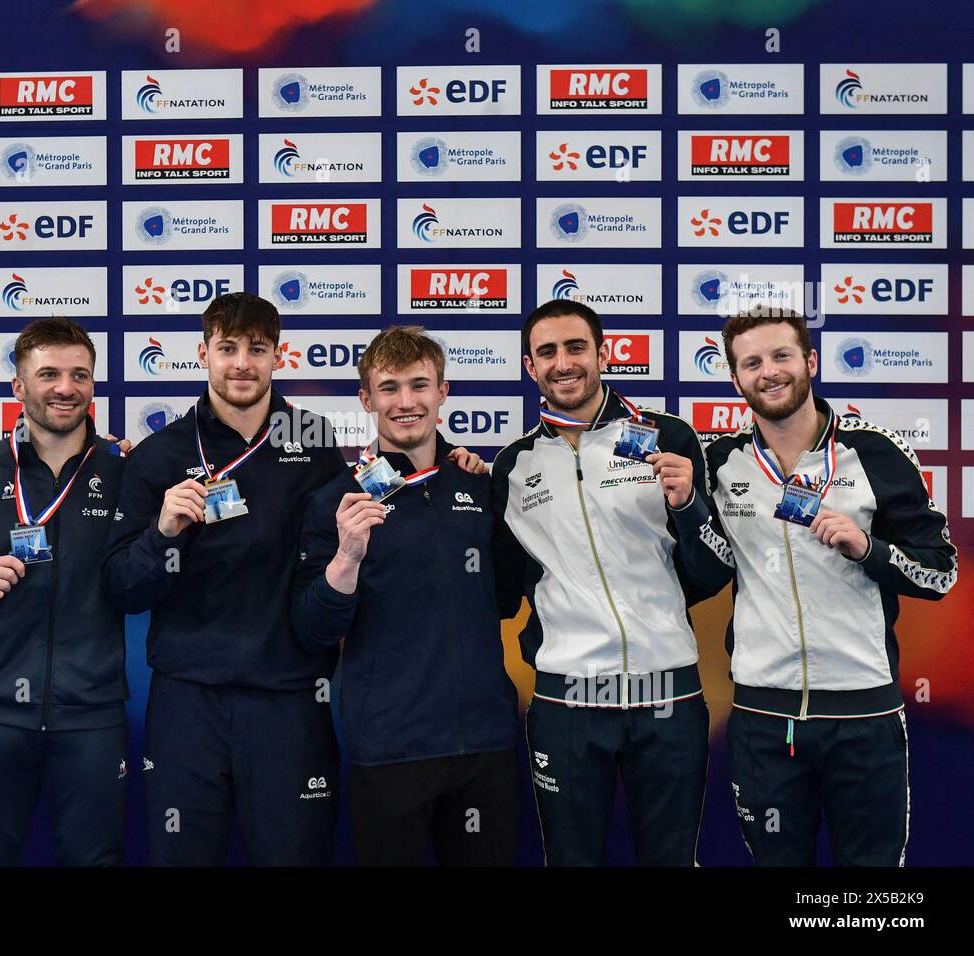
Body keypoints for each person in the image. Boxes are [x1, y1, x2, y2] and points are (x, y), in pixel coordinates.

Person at [105, 292, 483, 865]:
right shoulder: (159, 455)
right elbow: (125, 589)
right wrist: (162, 532)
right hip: (188, 700)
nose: (241, 363)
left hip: (290, 699)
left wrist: (457, 458)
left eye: (257, 349)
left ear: (278, 356)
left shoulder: (313, 442)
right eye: (227, 348)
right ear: (203, 353)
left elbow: (392, 476)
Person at [708, 309, 956, 866]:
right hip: (764, 721)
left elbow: (940, 573)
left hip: (863, 718)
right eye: (751, 363)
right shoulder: (720, 464)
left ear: (810, 362)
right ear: (735, 380)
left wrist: (870, 550)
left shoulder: (877, 453)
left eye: (781, 356)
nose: (768, 372)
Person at [492, 299, 734, 866]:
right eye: (547, 352)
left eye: (576, 347)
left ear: (603, 353)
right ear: (531, 367)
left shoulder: (667, 436)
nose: (563, 363)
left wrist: (691, 506)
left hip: (667, 694)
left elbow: (715, 569)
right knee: (572, 859)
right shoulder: (513, 464)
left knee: (670, 858)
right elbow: (505, 588)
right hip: (566, 699)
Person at [293, 326, 519, 866]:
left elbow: (505, 600)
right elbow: (313, 629)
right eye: (389, 388)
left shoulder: (478, 486)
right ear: (366, 399)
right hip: (390, 748)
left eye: (420, 385)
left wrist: (491, 492)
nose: (406, 402)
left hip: (485, 743)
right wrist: (345, 558)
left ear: (443, 393)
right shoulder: (337, 499)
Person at [0, 318, 130, 865]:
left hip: (91, 712)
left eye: (79, 375)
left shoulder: (125, 470)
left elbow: (144, 574)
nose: (65, 388)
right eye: (48, 374)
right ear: (19, 386)